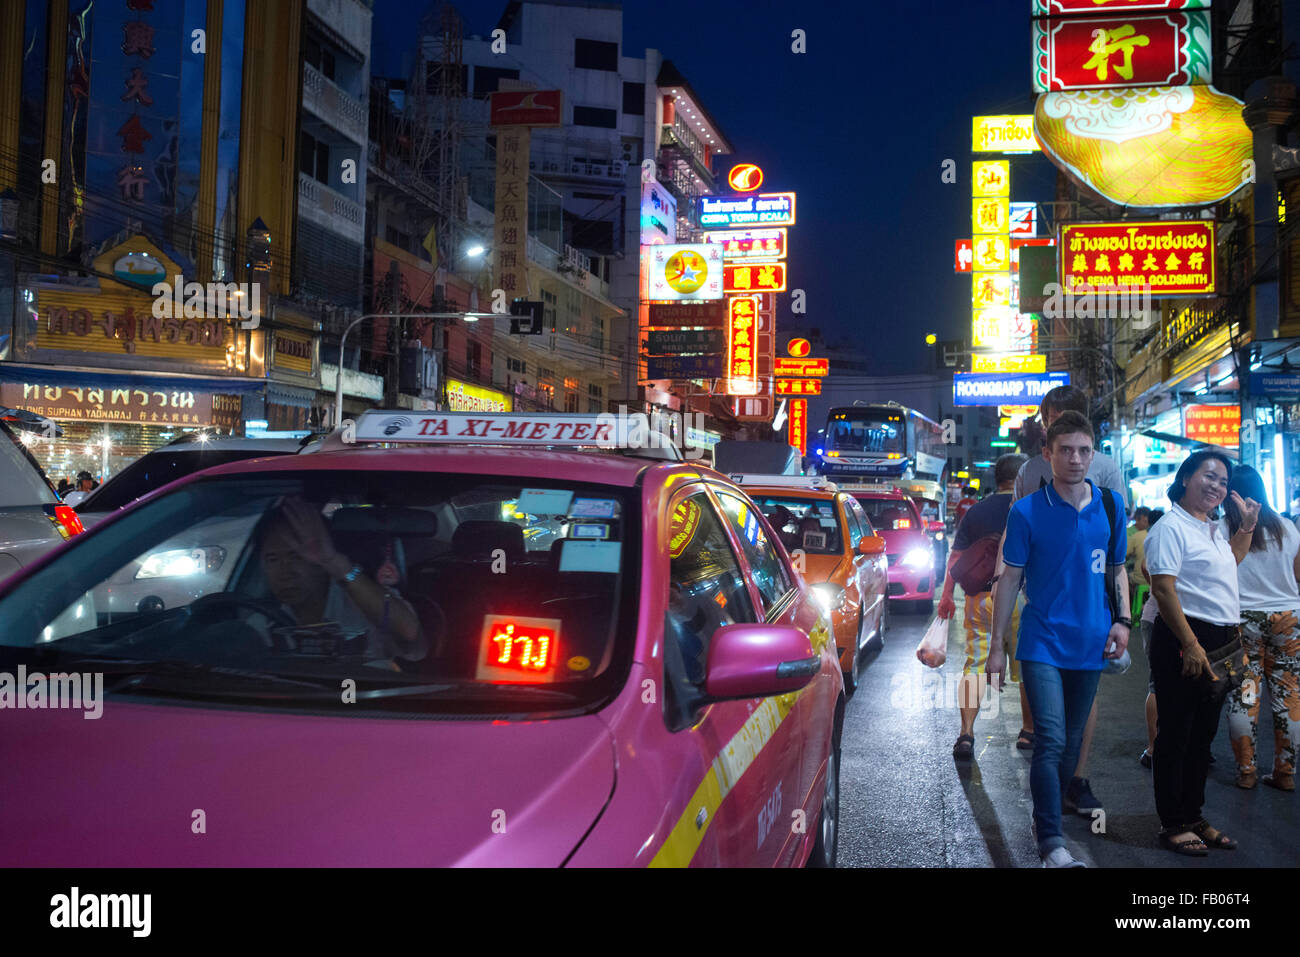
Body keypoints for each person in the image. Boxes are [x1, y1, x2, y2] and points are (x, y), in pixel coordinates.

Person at [989, 411, 1129, 868]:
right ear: (1047, 455)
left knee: (1069, 744)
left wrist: (1122, 622)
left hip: (1091, 641)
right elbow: (1009, 579)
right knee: (1049, 738)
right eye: (1065, 450)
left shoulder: (1111, 506)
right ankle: (1051, 840)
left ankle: (1048, 819)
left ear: (1094, 454)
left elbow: (1117, 568)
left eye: (1083, 450)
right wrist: (995, 649)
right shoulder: (1027, 511)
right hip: (1042, 640)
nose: (1075, 459)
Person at [1145, 450, 1257, 856]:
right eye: (1209, 477)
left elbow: (1234, 559)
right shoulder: (1170, 527)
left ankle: (1193, 814)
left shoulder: (1211, 528)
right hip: (1185, 638)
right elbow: (1162, 587)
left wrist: (1246, 526)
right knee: (1176, 733)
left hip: (1221, 640)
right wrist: (1190, 644)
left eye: (1223, 482)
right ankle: (1173, 822)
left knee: (1203, 738)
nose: (1217, 487)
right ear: (1186, 478)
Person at [254, 497, 428, 664]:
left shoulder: (367, 602)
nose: (285, 572)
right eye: (273, 559)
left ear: (321, 560)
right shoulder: (263, 623)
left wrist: (334, 562)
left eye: (297, 557)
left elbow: (412, 637)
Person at [938, 452, 1029, 760]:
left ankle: (966, 733)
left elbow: (956, 558)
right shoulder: (1033, 507)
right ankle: (1029, 732)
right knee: (1030, 666)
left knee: (974, 664)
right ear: (1022, 478)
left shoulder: (976, 511)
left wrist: (947, 595)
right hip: (1022, 598)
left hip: (980, 598)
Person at [1222, 465, 1299, 792]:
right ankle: (1285, 773)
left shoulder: (1224, 527)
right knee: (1289, 696)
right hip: (1287, 620)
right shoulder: (1287, 527)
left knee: (1245, 693)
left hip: (1243, 622)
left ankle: (1247, 771)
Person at [1127, 507, 1152, 598]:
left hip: (1139, 574)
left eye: (1148, 521)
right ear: (1137, 519)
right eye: (1145, 521)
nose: (1147, 524)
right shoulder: (1128, 532)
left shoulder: (1139, 535)